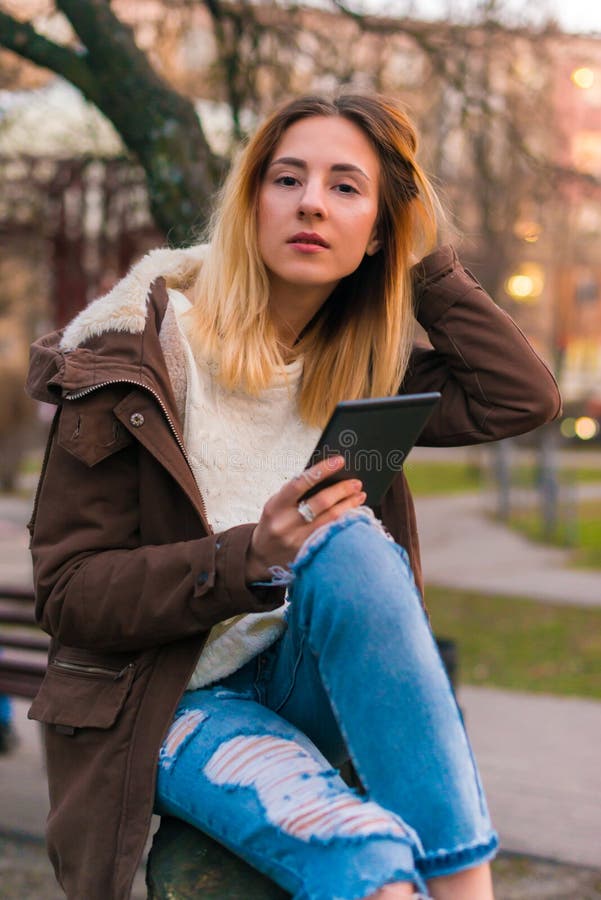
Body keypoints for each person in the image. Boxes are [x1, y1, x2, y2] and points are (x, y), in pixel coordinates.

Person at [25, 93, 561, 900]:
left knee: (348, 544)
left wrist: (421, 262)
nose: (312, 201)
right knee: (370, 868)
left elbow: (519, 397)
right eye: (287, 179)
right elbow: (71, 598)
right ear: (250, 204)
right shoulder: (129, 356)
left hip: (305, 683)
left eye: (347, 188)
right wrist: (253, 554)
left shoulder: (360, 371)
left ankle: (463, 883)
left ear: (379, 230)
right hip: (172, 700)